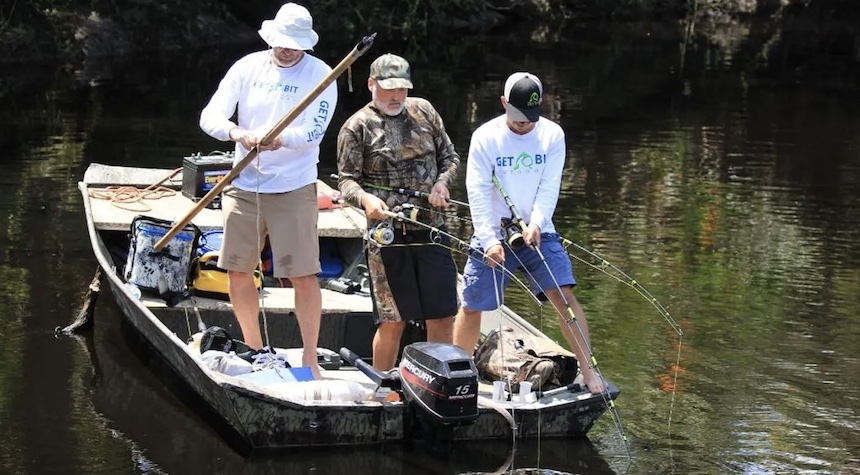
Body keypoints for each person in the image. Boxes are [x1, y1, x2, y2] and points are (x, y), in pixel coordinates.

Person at [198, 2, 338, 378]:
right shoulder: (247, 67)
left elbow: (314, 131)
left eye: (295, 45)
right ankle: (255, 350)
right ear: (271, 37)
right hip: (244, 183)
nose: (287, 49)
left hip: (294, 185)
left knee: (303, 274)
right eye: (282, 42)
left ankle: (310, 358)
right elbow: (210, 116)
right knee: (237, 269)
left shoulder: (322, 75)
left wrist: (281, 139)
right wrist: (237, 133)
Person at [452, 72, 607, 394]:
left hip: (539, 230)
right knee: (473, 303)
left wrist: (536, 222)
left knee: (564, 296)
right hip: (493, 231)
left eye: (530, 118)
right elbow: (477, 192)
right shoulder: (486, 137)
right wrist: (489, 240)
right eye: (518, 116)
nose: (524, 124)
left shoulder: (552, 135)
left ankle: (590, 372)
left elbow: (550, 185)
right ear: (504, 103)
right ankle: (458, 374)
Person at [337, 54, 460, 371]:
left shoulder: (425, 111)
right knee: (393, 320)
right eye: (388, 88)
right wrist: (365, 200)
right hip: (387, 236)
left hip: (432, 230)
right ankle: (384, 387)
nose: (396, 96)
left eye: (402, 89)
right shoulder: (356, 127)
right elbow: (347, 182)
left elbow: (450, 158)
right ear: (371, 84)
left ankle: (436, 383)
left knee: (442, 315)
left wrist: (442, 184)